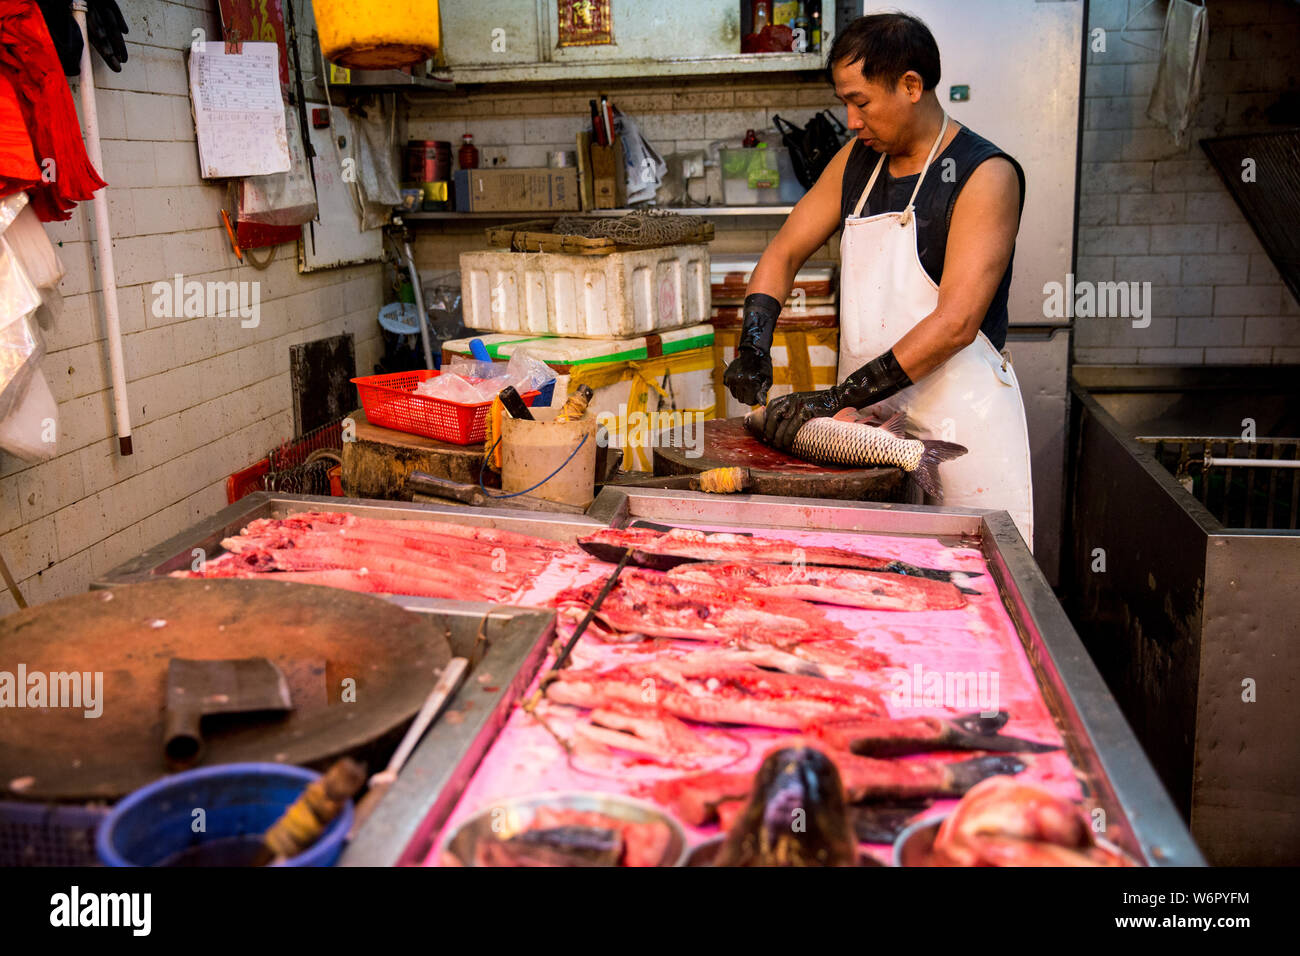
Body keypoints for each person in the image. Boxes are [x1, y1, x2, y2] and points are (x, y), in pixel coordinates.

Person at [723, 12, 1034, 547]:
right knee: (872, 576)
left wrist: (836, 396)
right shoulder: (856, 163)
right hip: (866, 429)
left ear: (911, 86)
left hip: (962, 427)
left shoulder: (986, 175)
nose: (850, 120)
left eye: (860, 102)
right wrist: (753, 344)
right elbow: (784, 249)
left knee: (967, 587)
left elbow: (957, 322)